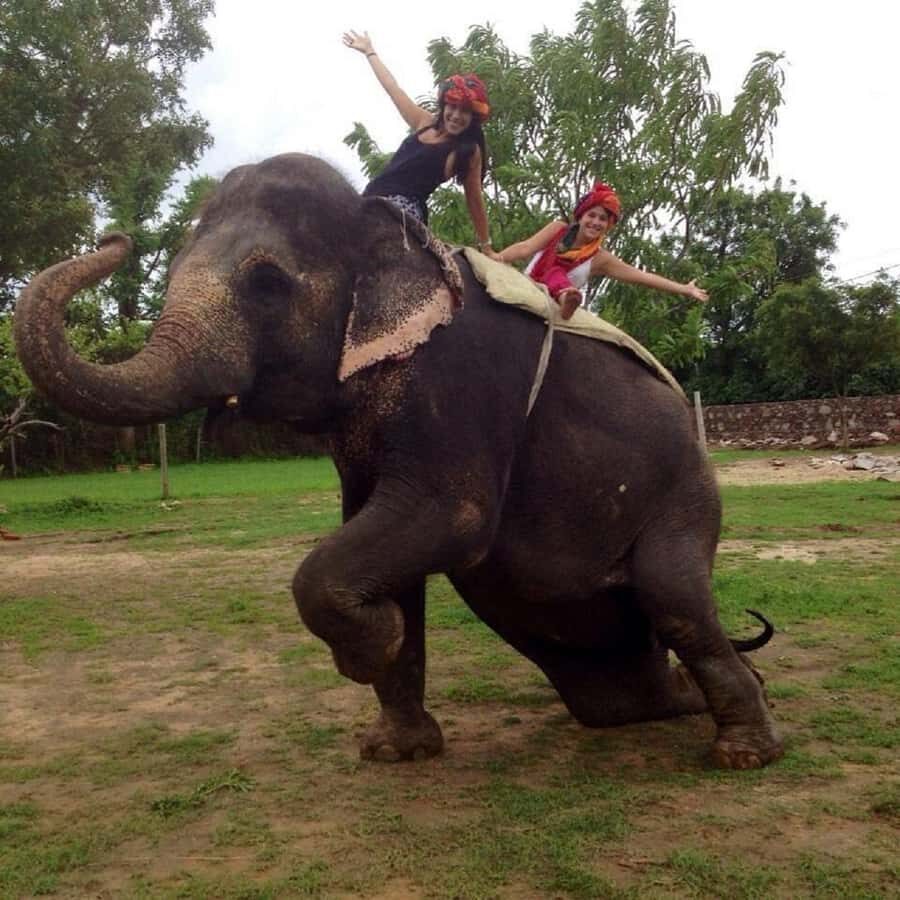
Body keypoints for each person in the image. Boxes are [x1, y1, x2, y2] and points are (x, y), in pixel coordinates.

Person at [343, 29, 493, 251]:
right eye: (452, 107)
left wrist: (486, 245)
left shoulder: (468, 151)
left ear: (473, 118)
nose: (456, 115)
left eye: (464, 111)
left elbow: (474, 199)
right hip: (371, 197)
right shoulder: (424, 121)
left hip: (404, 212)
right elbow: (393, 89)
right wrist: (369, 52)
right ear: (444, 106)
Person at [494, 181, 709, 319]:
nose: (596, 222)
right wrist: (496, 257)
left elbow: (642, 277)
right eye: (592, 215)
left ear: (608, 225)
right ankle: (566, 296)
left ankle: (568, 299)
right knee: (553, 271)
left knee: (557, 275)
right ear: (581, 216)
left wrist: (684, 289)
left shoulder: (600, 259)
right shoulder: (557, 229)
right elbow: (525, 248)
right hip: (526, 287)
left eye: (603, 219)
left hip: (552, 311)